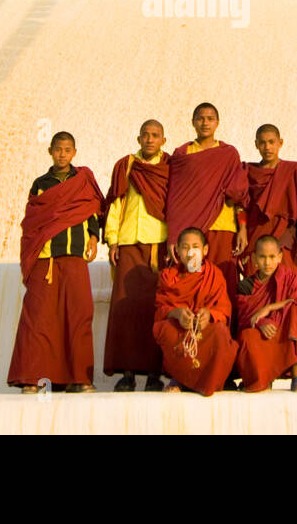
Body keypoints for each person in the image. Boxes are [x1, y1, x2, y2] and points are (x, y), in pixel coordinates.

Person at [7, 131, 104, 393]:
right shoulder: (41, 183)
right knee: (38, 317)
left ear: (75, 152)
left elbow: (90, 211)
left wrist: (94, 237)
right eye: (58, 149)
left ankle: (79, 378)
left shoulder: (82, 180)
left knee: (79, 314)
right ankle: (33, 377)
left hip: (74, 256)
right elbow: (32, 221)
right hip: (45, 257)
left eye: (68, 149)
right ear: (50, 151)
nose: (62, 154)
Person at [102, 119, 170, 392]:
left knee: (157, 307)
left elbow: (175, 203)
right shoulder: (126, 165)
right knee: (126, 308)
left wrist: (175, 240)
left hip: (158, 243)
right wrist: (112, 240)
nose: (150, 140)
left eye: (155, 136)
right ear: (138, 138)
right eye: (146, 135)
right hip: (129, 242)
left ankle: (155, 372)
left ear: (163, 140)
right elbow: (115, 203)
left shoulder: (169, 167)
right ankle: (127, 372)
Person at [164, 103, 249, 307]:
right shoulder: (183, 153)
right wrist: (174, 235)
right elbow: (175, 198)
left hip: (223, 228)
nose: (205, 123)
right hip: (192, 232)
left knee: (224, 282)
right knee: (193, 281)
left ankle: (223, 333)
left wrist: (243, 228)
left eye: (210, 119)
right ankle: (194, 334)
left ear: (217, 123)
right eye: (200, 118)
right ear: (193, 122)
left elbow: (239, 194)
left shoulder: (228, 154)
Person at [152, 227, 239, 396]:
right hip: (181, 329)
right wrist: (176, 313)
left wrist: (209, 315)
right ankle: (180, 376)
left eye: (195, 247)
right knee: (166, 329)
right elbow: (160, 311)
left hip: (205, 329)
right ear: (177, 250)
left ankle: (210, 380)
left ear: (205, 250)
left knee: (220, 332)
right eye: (185, 247)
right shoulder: (168, 276)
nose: (190, 252)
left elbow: (224, 309)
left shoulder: (214, 274)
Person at [242, 124, 297, 285]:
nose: (267, 147)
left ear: (280, 143)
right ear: (256, 145)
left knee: (286, 288)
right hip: (256, 241)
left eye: (271, 142)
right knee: (256, 293)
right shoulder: (249, 172)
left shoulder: (292, 171)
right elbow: (241, 205)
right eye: (262, 143)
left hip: (285, 241)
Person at [235, 236, 297, 392]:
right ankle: (263, 377)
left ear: (279, 257)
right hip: (261, 332)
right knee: (246, 337)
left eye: (272, 257)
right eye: (262, 257)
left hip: (284, 330)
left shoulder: (289, 277)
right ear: (254, 258)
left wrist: (268, 309)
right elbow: (243, 318)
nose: (267, 262)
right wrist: (260, 323)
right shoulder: (246, 285)